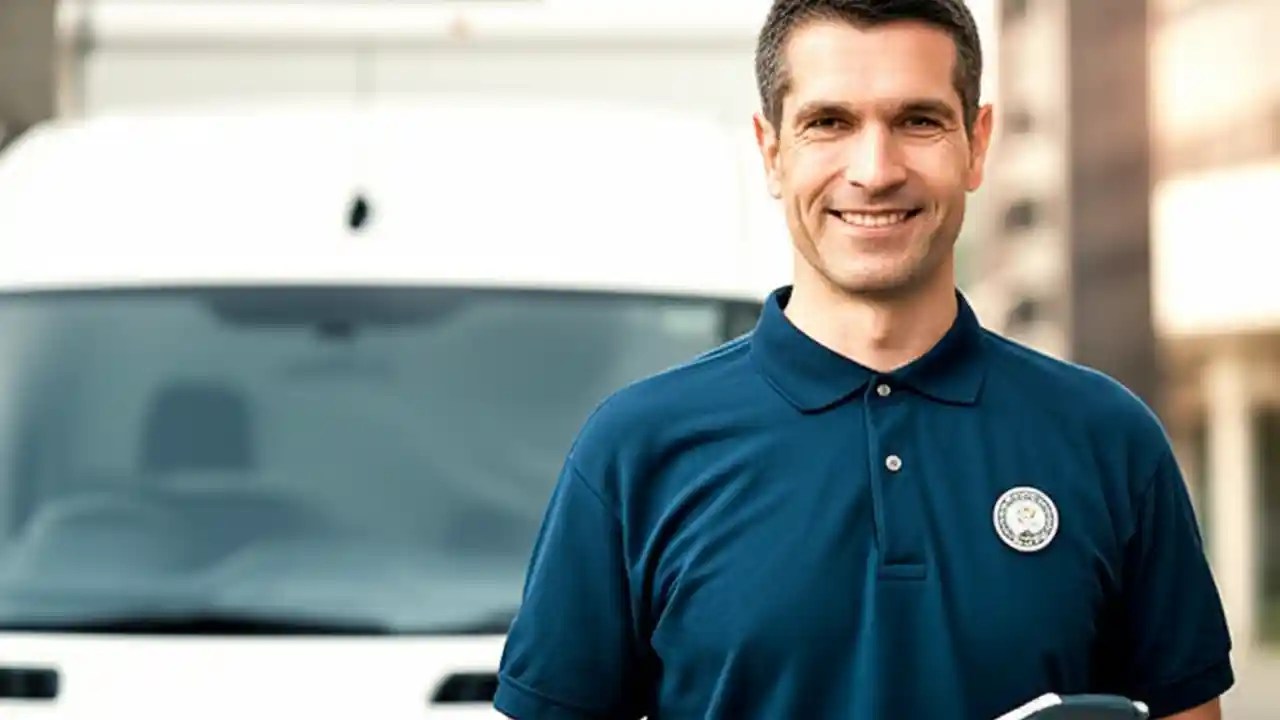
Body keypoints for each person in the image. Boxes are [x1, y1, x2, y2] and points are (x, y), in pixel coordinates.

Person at [493, 1, 1235, 718]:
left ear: (977, 144)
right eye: (829, 123)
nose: (875, 170)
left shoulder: (1107, 437)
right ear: (772, 151)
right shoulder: (635, 449)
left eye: (917, 121)